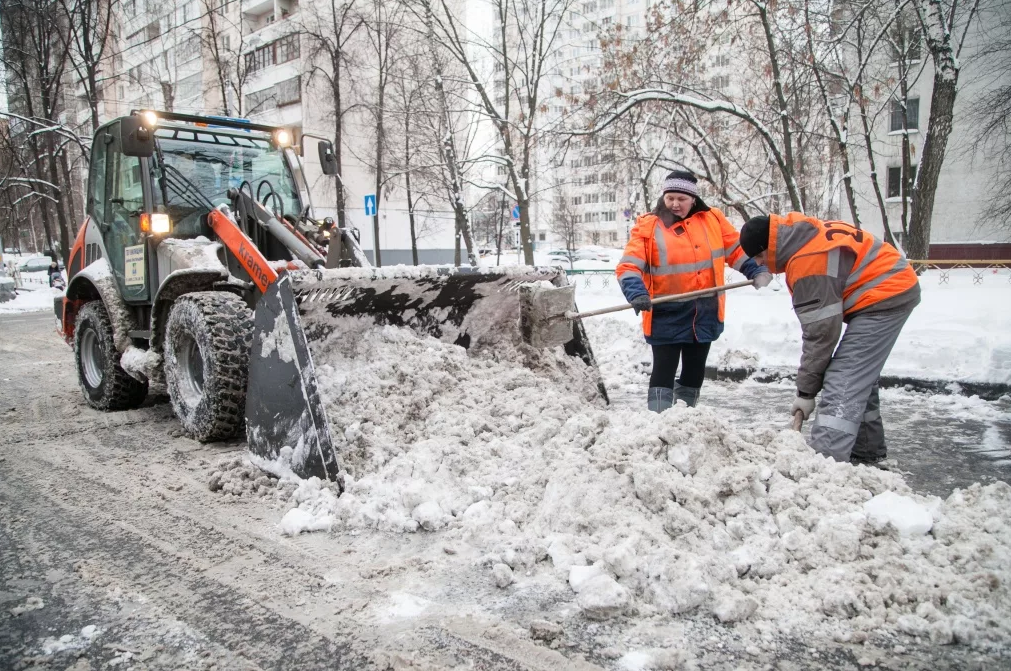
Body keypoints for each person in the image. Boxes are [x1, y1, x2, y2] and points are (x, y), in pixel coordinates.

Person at [738, 212, 920, 467]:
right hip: (887, 288)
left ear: (769, 246)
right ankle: (867, 452)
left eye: (759, 256)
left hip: (885, 296)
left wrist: (805, 391)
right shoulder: (805, 236)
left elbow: (821, 335)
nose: (761, 264)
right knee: (856, 373)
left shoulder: (808, 261)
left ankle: (826, 464)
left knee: (843, 380)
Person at [616, 171, 773, 411]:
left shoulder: (713, 219)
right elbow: (628, 265)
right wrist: (636, 291)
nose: (675, 204)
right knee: (664, 368)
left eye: (681, 198)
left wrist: (754, 270)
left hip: (704, 311)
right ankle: (657, 421)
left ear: (693, 198)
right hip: (665, 311)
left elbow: (735, 250)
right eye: (670, 198)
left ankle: (686, 419)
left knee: (695, 368)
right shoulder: (649, 225)